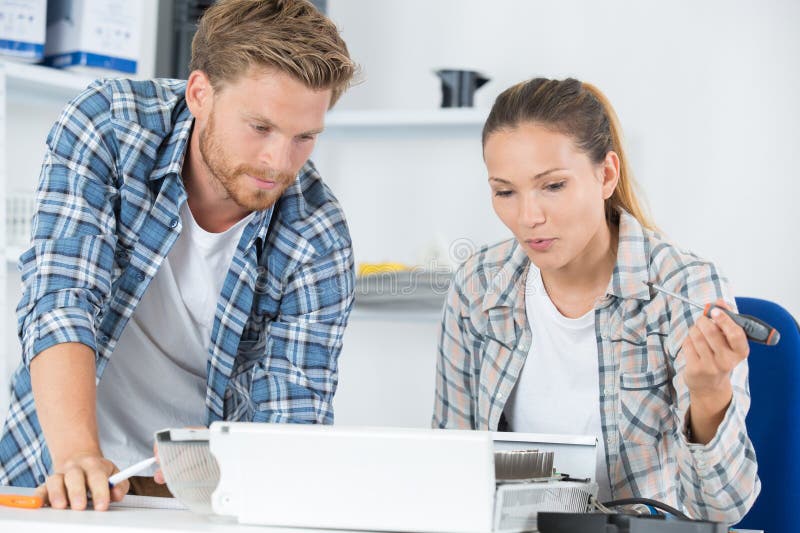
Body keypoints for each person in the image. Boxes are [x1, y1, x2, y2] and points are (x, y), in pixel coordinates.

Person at [0, 0, 356, 510]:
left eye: (304, 138)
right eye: (260, 128)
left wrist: (222, 461)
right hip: (53, 466)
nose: (279, 163)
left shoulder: (317, 235)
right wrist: (77, 455)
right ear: (199, 93)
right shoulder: (109, 126)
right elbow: (61, 298)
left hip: (198, 497)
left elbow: (292, 420)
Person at [433, 77, 759, 523]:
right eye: (505, 192)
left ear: (606, 174)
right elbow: (449, 476)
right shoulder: (477, 286)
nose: (528, 217)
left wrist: (709, 397)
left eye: (553, 186)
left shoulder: (685, 286)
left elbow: (722, 509)